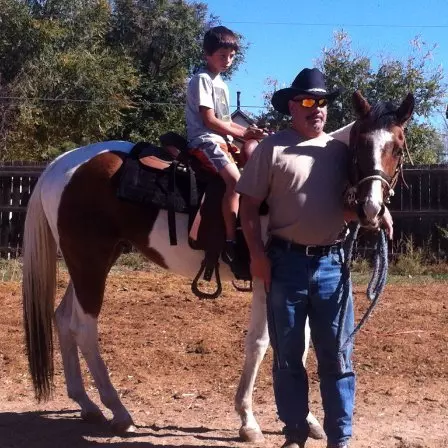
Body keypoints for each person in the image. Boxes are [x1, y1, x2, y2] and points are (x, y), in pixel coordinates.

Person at [236, 68, 392, 448]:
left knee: (337, 358)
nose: (316, 109)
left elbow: (354, 195)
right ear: (292, 105)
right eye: (308, 102)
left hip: (332, 266)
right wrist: (256, 256)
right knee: (288, 357)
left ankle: (340, 439)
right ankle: (294, 432)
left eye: (322, 102)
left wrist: (378, 210)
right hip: (284, 264)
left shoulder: (340, 151)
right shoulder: (271, 148)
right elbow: (248, 207)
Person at [185, 25, 264, 266]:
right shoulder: (201, 80)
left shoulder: (223, 85)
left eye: (231, 56)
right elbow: (210, 121)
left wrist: (251, 134)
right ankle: (230, 240)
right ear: (207, 55)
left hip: (223, 140)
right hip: (205, 140)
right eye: (222, 55)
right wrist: (244, 132)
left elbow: (227, 123)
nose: (227, 60)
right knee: (235, 181)